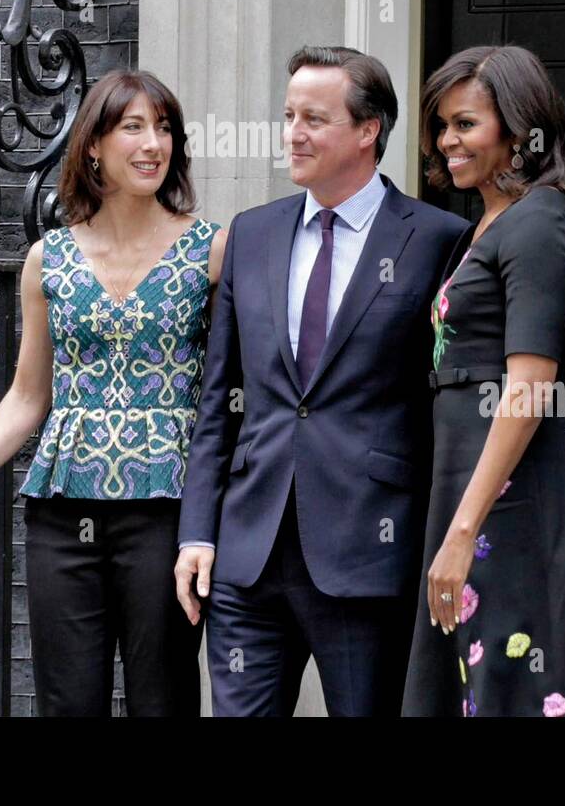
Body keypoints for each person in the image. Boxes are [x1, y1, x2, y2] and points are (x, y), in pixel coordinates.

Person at [0, 70, 226, 716]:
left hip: (166, 511)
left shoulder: (209, 251)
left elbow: (230, 392)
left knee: (164, 701)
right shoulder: (50, 260)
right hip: (61, 512)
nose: (153, 143)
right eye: (133, 127)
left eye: (163, 129)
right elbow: (27, 396)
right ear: (94, 146)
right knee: (68, 703)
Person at [174, 46, 469, 716]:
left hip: (368, 557)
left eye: (314, 117)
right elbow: (218, 400)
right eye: (287, 116)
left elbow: (445, 404)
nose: (293, 133)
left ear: (368, 131)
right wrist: (198, 533)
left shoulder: (437, 239)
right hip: (247, 561)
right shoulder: (252, 234)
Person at [402, 45, 565, 717]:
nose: (448, 141)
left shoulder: (538, 221)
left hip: (519, 495)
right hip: (477, 490)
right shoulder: (489, 223)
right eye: (442, 125)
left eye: (466, 123)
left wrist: (464, 530)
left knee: (516, 688)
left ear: (520, 128)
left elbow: (527, 384)